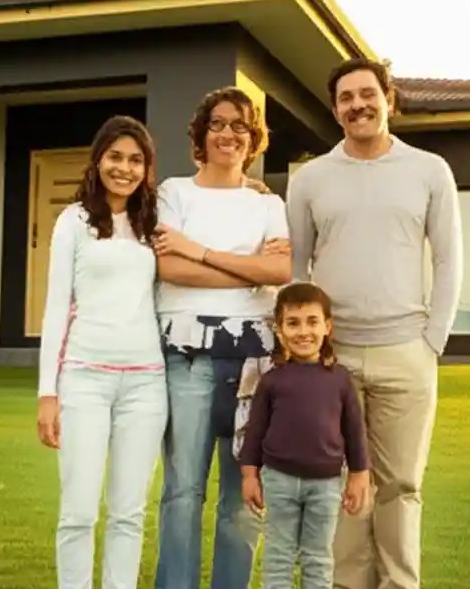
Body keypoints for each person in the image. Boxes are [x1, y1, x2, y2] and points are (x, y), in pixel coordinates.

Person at [286, 58, 462, 589]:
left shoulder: (430, 170)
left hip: (407, 349)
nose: (357, 105)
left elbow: (450, 259)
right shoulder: (311, 178)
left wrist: (433, 339)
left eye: (367, 94)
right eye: (345, 98)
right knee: (340, 481)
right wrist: (305, 349)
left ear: (388, 99)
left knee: (401, 484)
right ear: (335, 107)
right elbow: (298, 268)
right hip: (331, 358)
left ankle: (399, 584)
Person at [150, 86, 292, 589]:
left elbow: (280, 270)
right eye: (217, 123)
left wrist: (201, 253)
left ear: (253, 138)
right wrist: (250, 272)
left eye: (239, 126)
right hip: (187, 357)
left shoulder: (268, 203)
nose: (228, 133)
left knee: (242, 498)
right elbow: (168, 268)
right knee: (183, 491)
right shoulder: (174, 192)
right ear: (201, 133)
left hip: (254, 363)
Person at [35, 115, 168, 589]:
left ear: (146, 168)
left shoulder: (153, 221)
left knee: (129, 514)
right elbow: (55, 308)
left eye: (136, 160)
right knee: (78, 511)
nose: (124, 168)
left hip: (146, 383)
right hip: (84, 378)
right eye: (115, 156)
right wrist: (47, 394)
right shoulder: (72, 221)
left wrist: (253, 189)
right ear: (97, 159)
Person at [239, 282, 370, 589]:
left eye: (312, 322)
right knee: (278, 556)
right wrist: (249, 476)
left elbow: (354, 430)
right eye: (293, 323)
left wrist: (359, 474)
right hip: (279, 481)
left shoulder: (339, 380)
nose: (303, 332)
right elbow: (254, 431)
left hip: (325, 485)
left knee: (318, 557)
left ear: (327, 326)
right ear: (280, 329)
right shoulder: (271, 381)